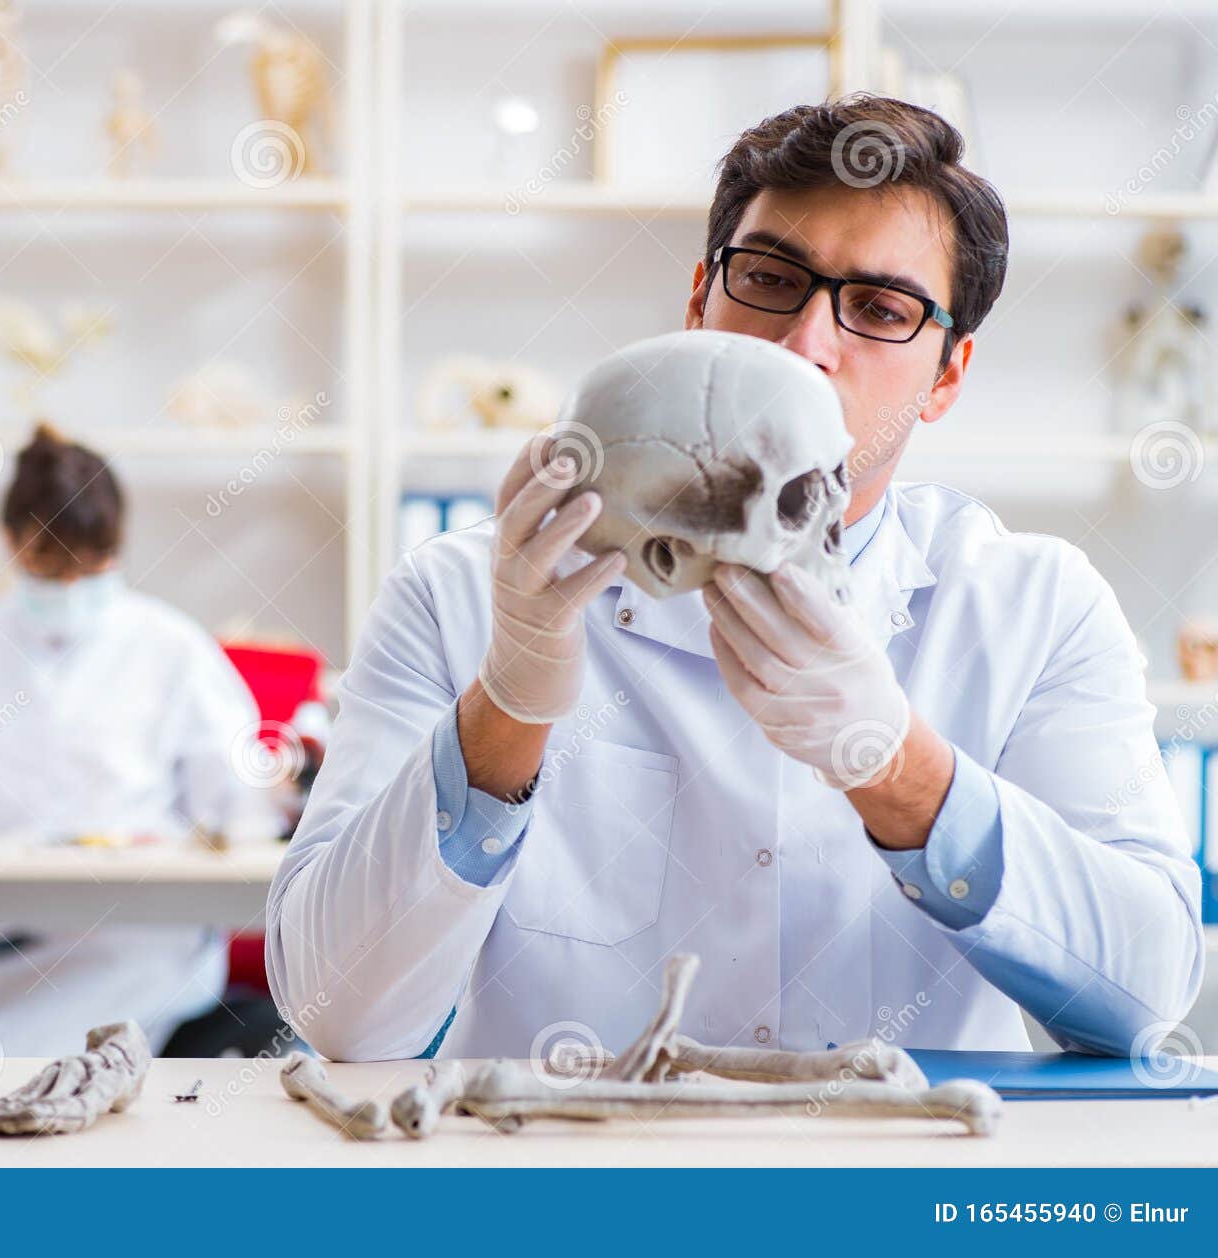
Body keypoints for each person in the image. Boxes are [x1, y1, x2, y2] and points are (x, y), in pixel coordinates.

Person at [266, 95, 1204, 1061]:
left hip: (896, 1194)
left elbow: (1142, 998)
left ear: (947, 376)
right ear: (699, 304)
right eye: (768, 278)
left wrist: (898, 769)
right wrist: (506, 707)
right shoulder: (462, 592)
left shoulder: (1035, 608)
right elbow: (337, 1014)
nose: (806, 342)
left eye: (881, 309)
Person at [0, 424, 272, 1057]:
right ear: (9, 543)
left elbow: (241, 804)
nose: (71, 586)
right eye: (50, 566)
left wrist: (262, 809)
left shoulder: (173, 649)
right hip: (8, 924)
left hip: (143, 938)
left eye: (91, 565)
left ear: (119, 547)